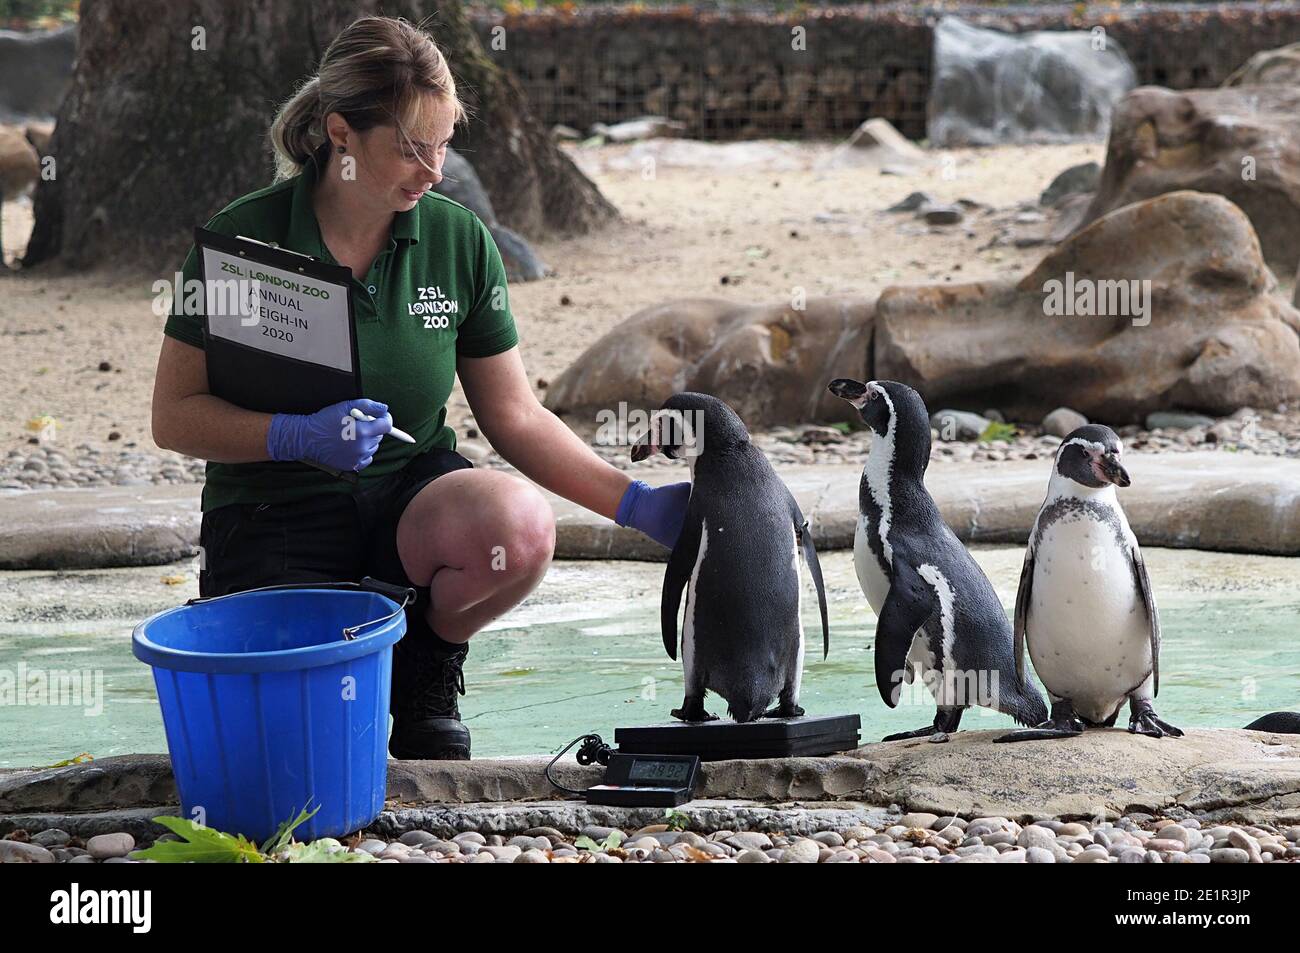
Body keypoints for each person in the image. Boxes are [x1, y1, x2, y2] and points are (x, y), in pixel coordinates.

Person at [151, 15, 689, 760]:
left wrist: (635, 503)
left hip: (408, 502)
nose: (434, 169)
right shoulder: (246, 241)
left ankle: (427, 664)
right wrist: (294, 435)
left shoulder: (457, 238)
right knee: (300, 752)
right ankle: (343, 638)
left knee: (519, 529)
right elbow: (174, 417)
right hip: (275, 512)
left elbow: (516, 416)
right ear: (341, 133)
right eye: (411, 147)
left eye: (442, 144)